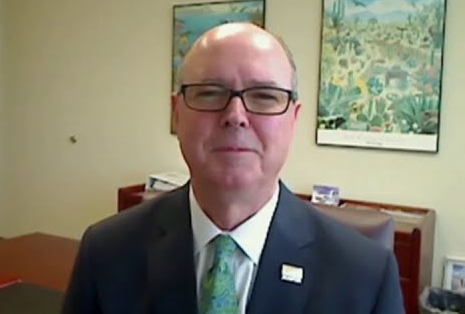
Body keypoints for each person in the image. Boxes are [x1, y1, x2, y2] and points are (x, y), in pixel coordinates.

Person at [62, 23, 403, 313]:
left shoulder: (366, 276)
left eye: (265, 96)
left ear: (294, 119)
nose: (235, 116)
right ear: (176, 114)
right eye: (210, 93)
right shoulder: (105, 252)